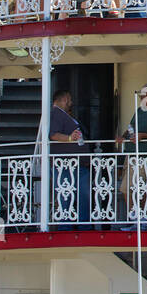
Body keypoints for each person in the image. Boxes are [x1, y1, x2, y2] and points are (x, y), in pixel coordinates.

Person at [49, 89, 90, 224]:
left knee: (81, 196)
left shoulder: (62, 114)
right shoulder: (56, 113)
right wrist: (69, 138)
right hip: (67, 165)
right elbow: (53, 134)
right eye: (70, 100)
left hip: (76, 163)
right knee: (66, 196)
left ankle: (82, 224)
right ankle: (66, 226)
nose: (71, 103)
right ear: (65, 99)